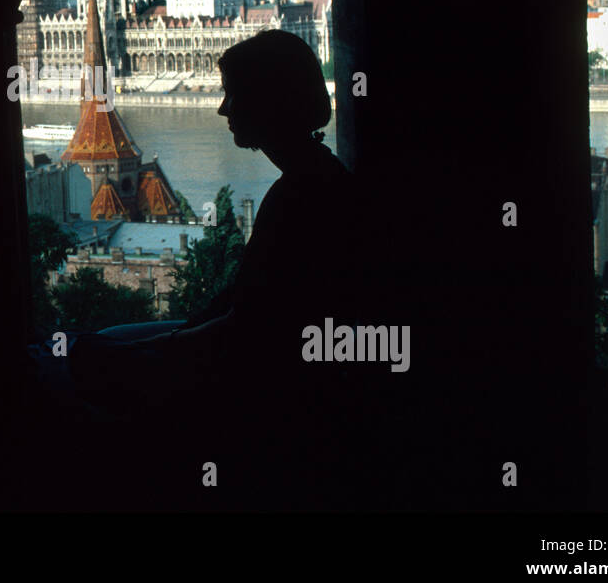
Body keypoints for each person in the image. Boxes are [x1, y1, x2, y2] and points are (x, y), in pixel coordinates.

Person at [68, 30, 387, 507]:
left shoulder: (301, 196)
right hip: (281, 373)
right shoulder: (312, 178)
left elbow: (252, 329)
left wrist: (161, 348)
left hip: (269, 392)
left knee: (90, 363)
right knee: (109, 343)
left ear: (271, 102)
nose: (221, 108)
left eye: (233, 93)